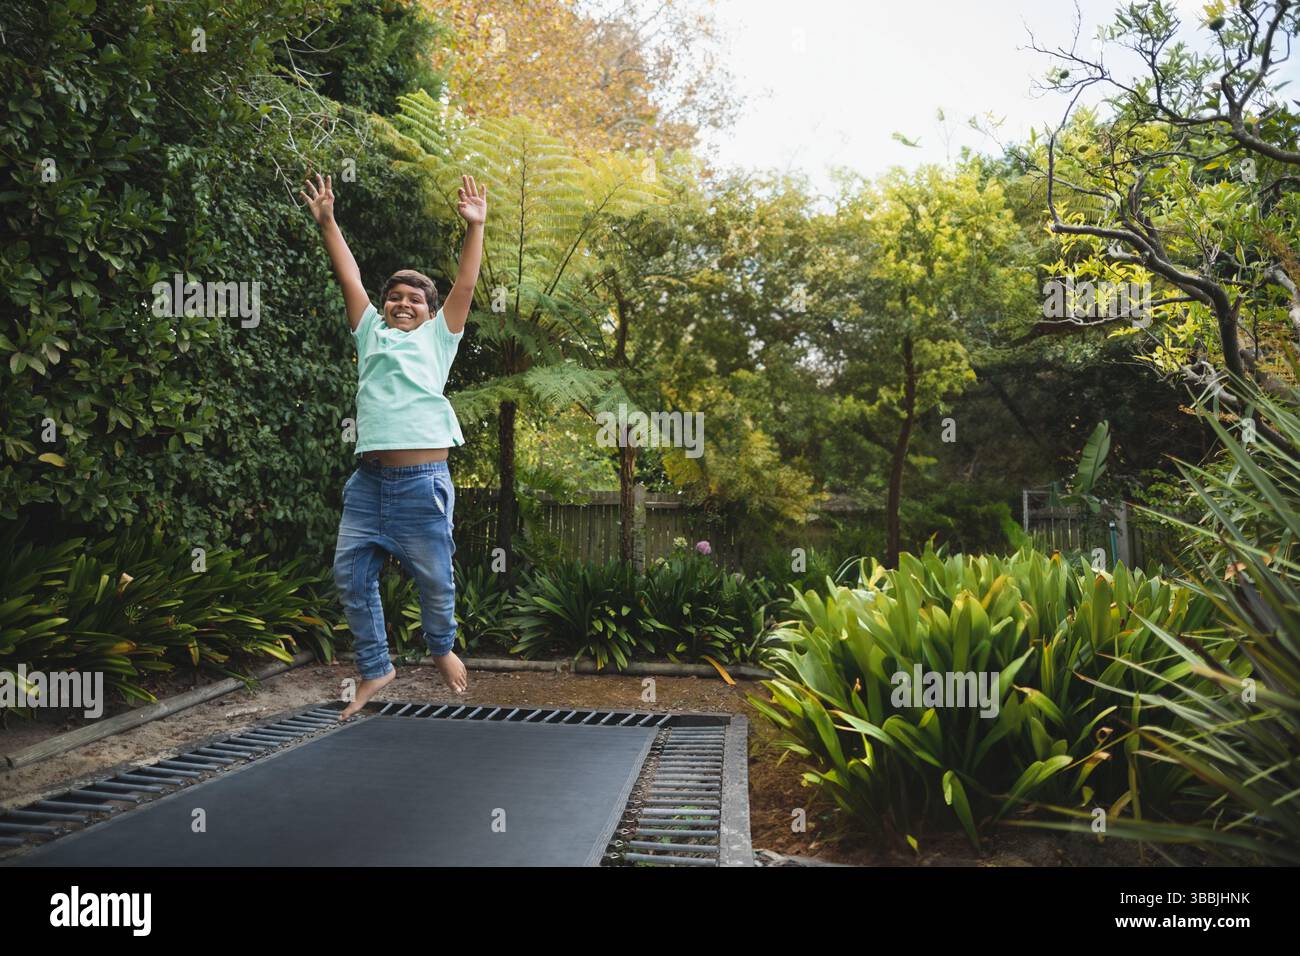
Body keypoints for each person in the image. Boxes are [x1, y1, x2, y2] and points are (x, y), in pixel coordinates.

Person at [300, 171, 486, 719]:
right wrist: (329, 222)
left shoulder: (438, 338)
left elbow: (466, 287)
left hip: (421, 485)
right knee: (349, 575)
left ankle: (441, 647)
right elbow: (349, 276)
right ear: (383, 307)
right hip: (368, 483)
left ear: (430, 313)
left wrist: (474, 228)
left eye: (415, 299)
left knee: (434, 577)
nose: (403, 303)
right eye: (394, 297)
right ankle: (376, 667)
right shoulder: (369, 333)